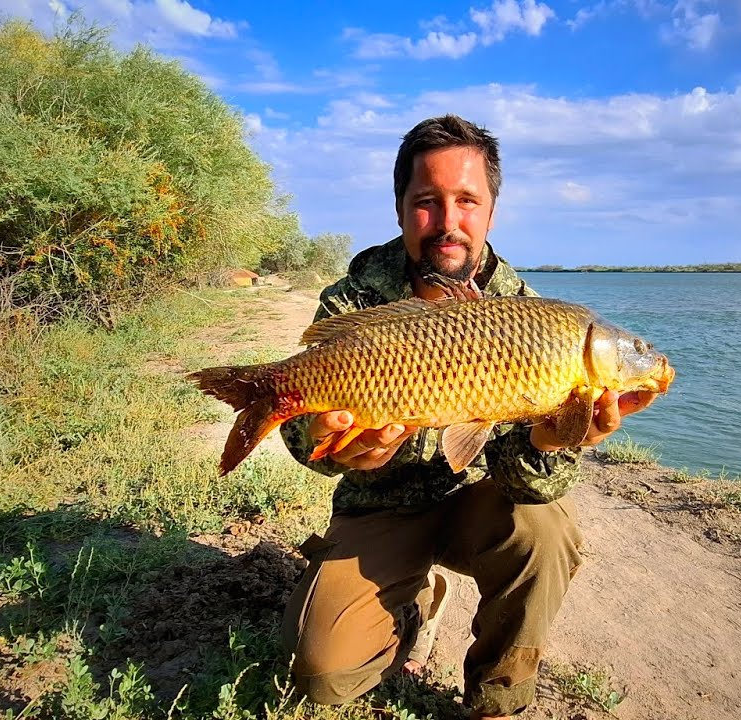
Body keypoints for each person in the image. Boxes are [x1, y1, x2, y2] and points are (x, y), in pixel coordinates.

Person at [278, 114, 656, 720]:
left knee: (548, 530)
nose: (448, 222)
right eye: (427, 202)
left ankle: (497, 701)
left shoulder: (531, 316)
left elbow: (529, 485)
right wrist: (325, 441)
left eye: (466, 201)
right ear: (400, 208)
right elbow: (305, 443)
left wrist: (551, 441)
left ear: (490, 212)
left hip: (474, 500)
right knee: (324, 674)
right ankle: (413, 605)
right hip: (380, 507)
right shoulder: (354, 298)